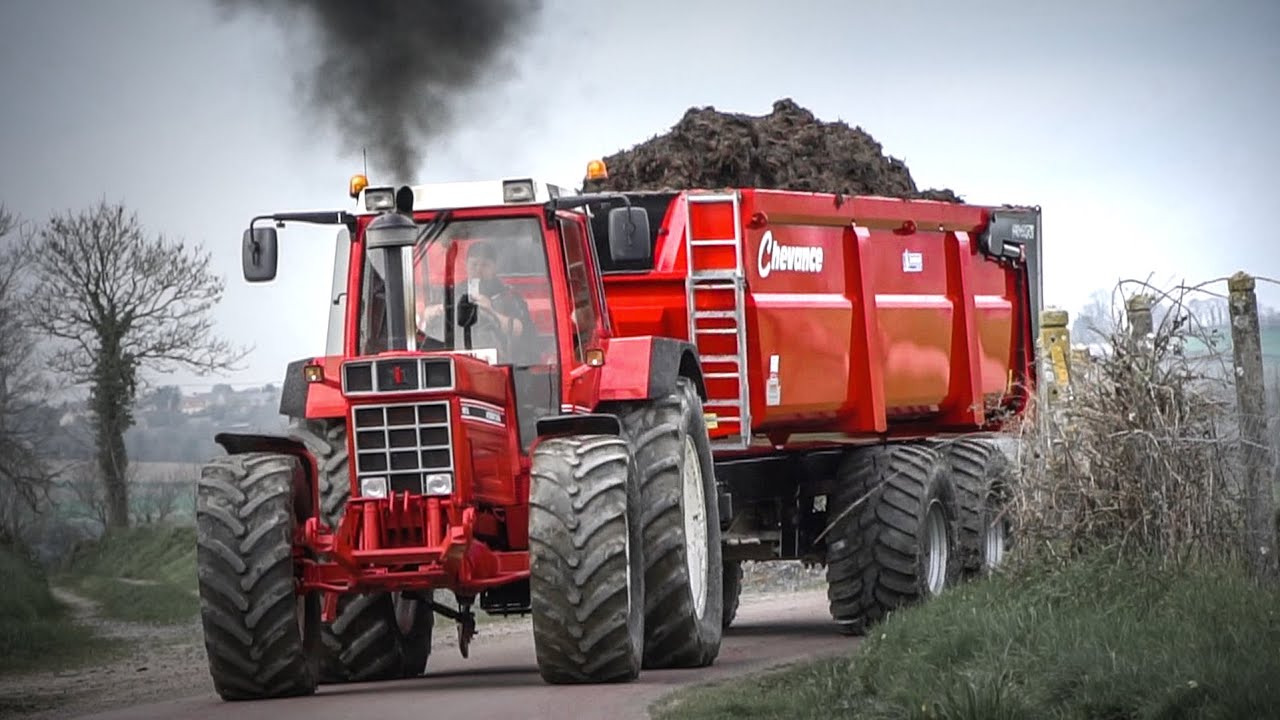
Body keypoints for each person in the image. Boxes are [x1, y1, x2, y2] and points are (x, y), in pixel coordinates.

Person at [416, 241, 534, 361]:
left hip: (500, 364)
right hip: (457, 362)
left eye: (485, 265)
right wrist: (438, 310)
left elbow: (522, 331)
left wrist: (490, 311)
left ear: (495, 268)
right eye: (474, 264)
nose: (478, 270)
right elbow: (425, 319)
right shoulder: (451, 293)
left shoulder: (508, 297)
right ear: (466, 265)